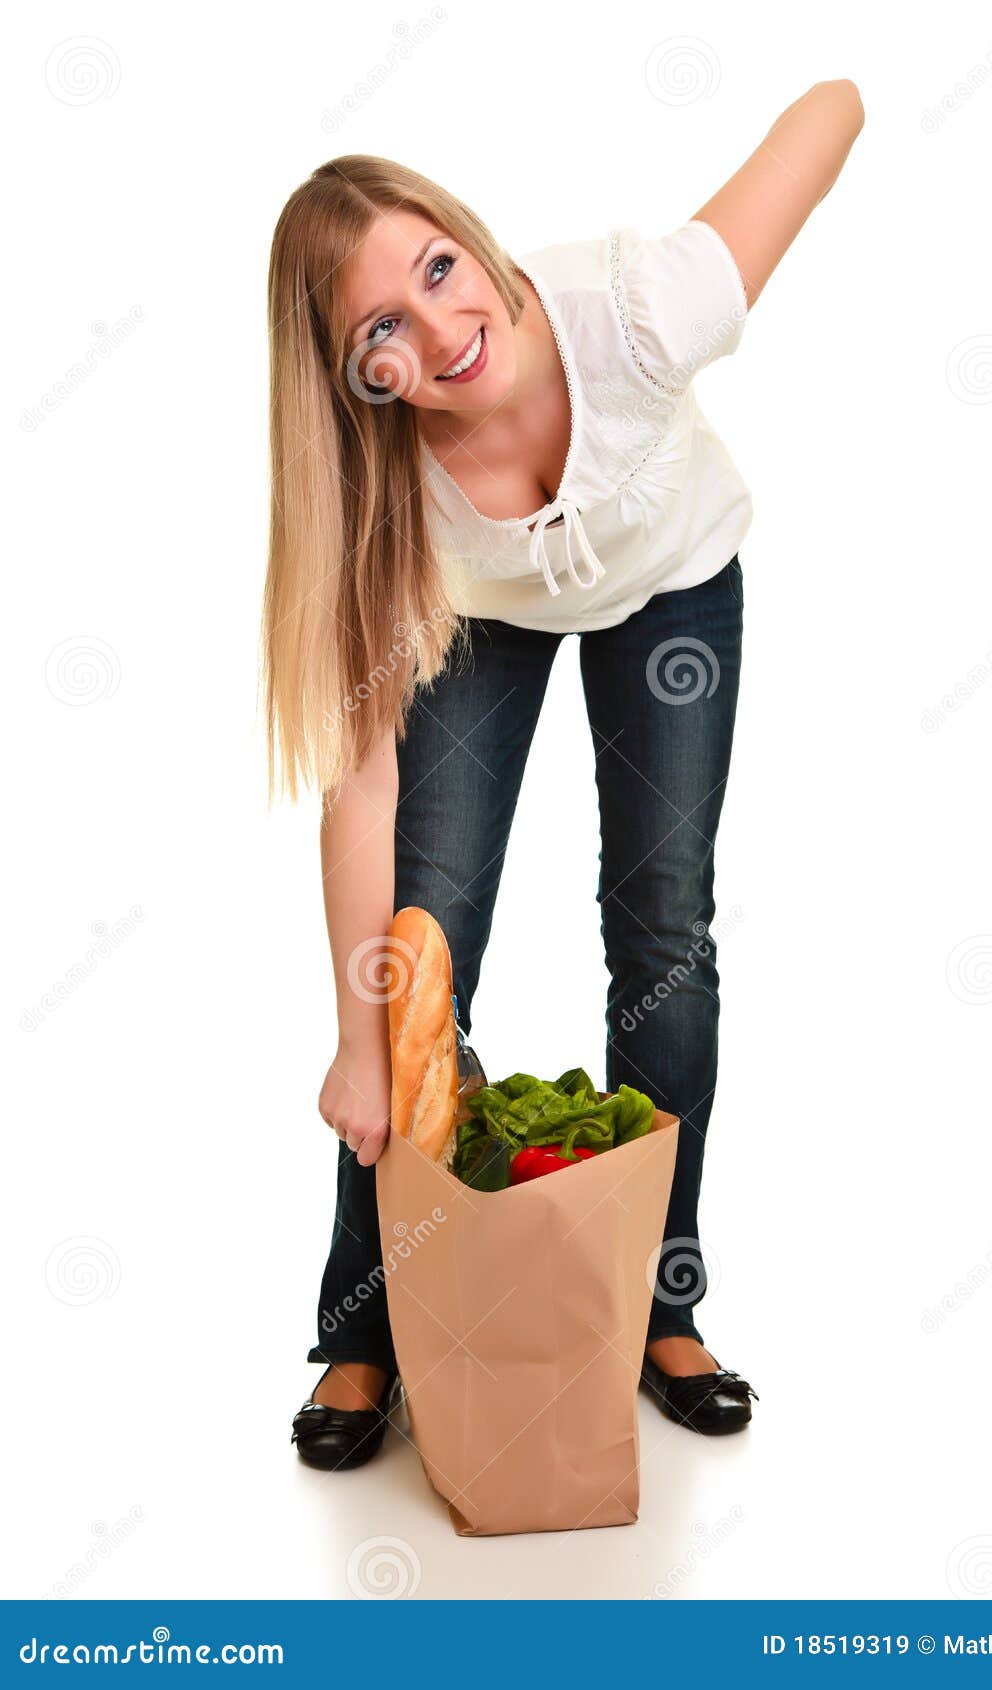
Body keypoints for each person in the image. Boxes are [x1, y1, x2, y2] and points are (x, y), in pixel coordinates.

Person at [261, 80, 865, 1471]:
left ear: (471, 239)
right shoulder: (383, 497)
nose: (440, 329)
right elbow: (359, 793)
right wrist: (360, 1046)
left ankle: (662, 1303)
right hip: (476, 612)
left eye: (437, 269)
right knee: (423, 947)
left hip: (670, 584)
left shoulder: (645, 312)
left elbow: (829, 110)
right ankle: (366, 1328)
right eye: (381, 336)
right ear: (359, 381)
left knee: (664, 922)